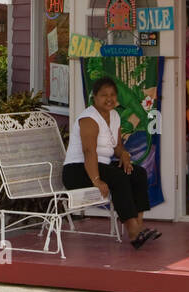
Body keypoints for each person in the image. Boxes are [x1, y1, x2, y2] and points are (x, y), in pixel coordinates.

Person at [62, 77, 160, 249]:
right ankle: (133, 232)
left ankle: (139, 225)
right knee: (119, 178)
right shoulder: (89, 118)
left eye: (113, 95)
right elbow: (89, 152)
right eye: (104, 95)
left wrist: (123, 154)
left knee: (137, 173)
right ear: (95, 98)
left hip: (100, 166)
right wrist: (96, 180)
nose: (109, 99)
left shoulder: (114, 115)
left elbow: (117, 146)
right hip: (77, 170)